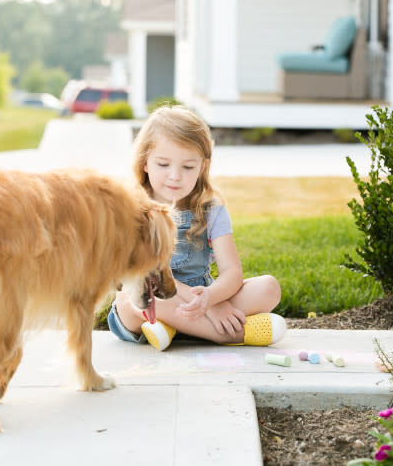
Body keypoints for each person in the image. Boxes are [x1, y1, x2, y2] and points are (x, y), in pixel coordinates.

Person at [107, 106, 286, 350]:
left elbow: (232, 273)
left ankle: (170, 329)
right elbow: (145, 276)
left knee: (269, 288)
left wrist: (212, 299)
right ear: (145, 162)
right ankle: (230, 334)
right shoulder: (133, 209)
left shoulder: (212, 211)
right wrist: (210, 308)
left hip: (201, 297)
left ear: (202, 167)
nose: (175, 176)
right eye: (163, 164)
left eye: (188, 167)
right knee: (134, 300)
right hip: (149, 302)